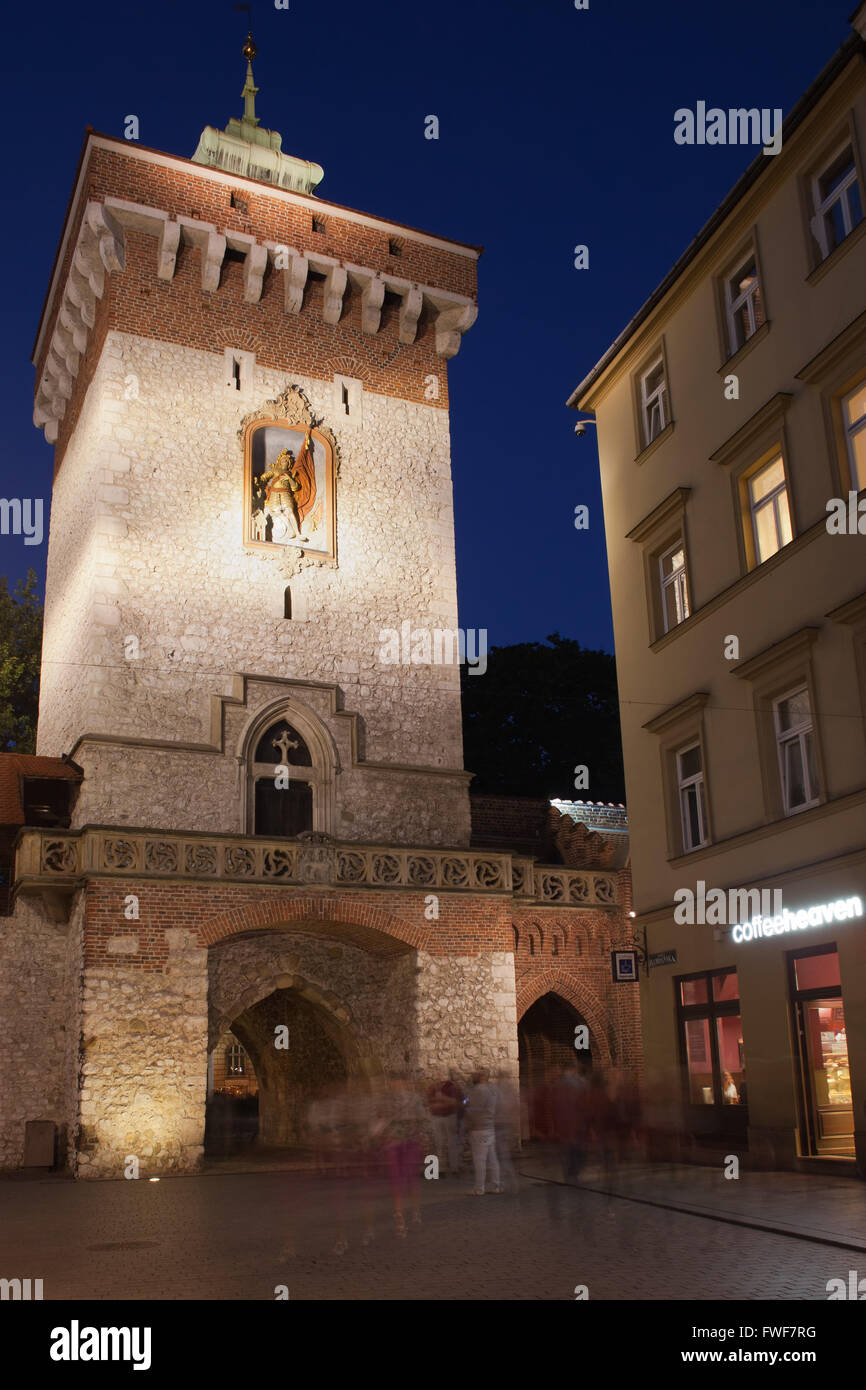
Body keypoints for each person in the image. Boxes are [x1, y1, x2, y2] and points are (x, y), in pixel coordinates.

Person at [465, 1068, 501, 1196]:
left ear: (481, 1076)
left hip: (479, 1128)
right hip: (490, 1126)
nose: (472, 1076)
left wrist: (466, 1106)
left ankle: (479, 1188)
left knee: (479, 1159)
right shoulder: (493, 1090)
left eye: (475, 1074)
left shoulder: (478, 1090)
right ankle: (496, 1185)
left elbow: (469, 1104)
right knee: (492, 1158)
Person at [426, 1071, 463, 1176]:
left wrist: (442, 1099)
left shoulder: (453, 1087)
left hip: (449, 1117)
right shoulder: (432, 1087)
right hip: (437, 1117)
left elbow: (456, 1102)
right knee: (439, 1143)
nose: (439, 1076)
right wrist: (443, 1102)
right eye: (438, 1075)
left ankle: (454, 1168)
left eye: (441, 1075)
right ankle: (441, 1168)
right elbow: (429, 1101)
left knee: (452, 1143)